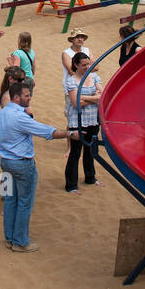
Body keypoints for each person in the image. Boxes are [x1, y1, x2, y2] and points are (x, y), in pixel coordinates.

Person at [0, 82, 77, 252]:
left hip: (5, 162)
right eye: (27, 95)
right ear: (17, 97)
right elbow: (47, 132)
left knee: (10, 200)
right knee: (25, 202)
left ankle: (10, 238)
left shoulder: (2, 113)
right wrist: (69, 134)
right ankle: (20, 241)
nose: (30, 98)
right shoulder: (20, 117)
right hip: (21, 164)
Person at [63, 52, 102, 193]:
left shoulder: (95, 77)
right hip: (78, 121)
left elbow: (102, 95)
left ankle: (90, 177)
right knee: (75, 152)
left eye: (88, 64)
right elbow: (75, 103)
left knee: (90, 150)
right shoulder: (71, 81)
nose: (87, 67)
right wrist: (93, 97)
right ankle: (71, 184)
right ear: (76, 65)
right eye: (84, 65)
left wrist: (84, 97)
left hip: (93, 119)